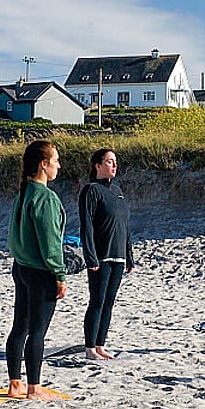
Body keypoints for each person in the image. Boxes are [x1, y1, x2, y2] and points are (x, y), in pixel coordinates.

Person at [5, 140, 68, 400]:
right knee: (37, 330)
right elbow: (50, 241)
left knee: (20, 326)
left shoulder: (23, 193)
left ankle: (15, 383)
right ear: (44, 164)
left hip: (21, 267)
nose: (58, 166)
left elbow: (12, 236)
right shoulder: (45, 197)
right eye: (55, 161)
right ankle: (34, 388)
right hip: (39, 271)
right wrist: (60, 274)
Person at [78, 148, 133, 361]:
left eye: (115, 161)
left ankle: (101, 344)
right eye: (109, 161)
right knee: (97, 300)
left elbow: (125, 225)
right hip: (100, 256)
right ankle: (90, 347)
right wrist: (90, 256)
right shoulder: (91, 190)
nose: (114, 165)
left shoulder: (118, 191)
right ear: (98, 165)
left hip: (118, 255)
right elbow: (87, 226)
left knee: (109, 302)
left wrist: (129, 255)